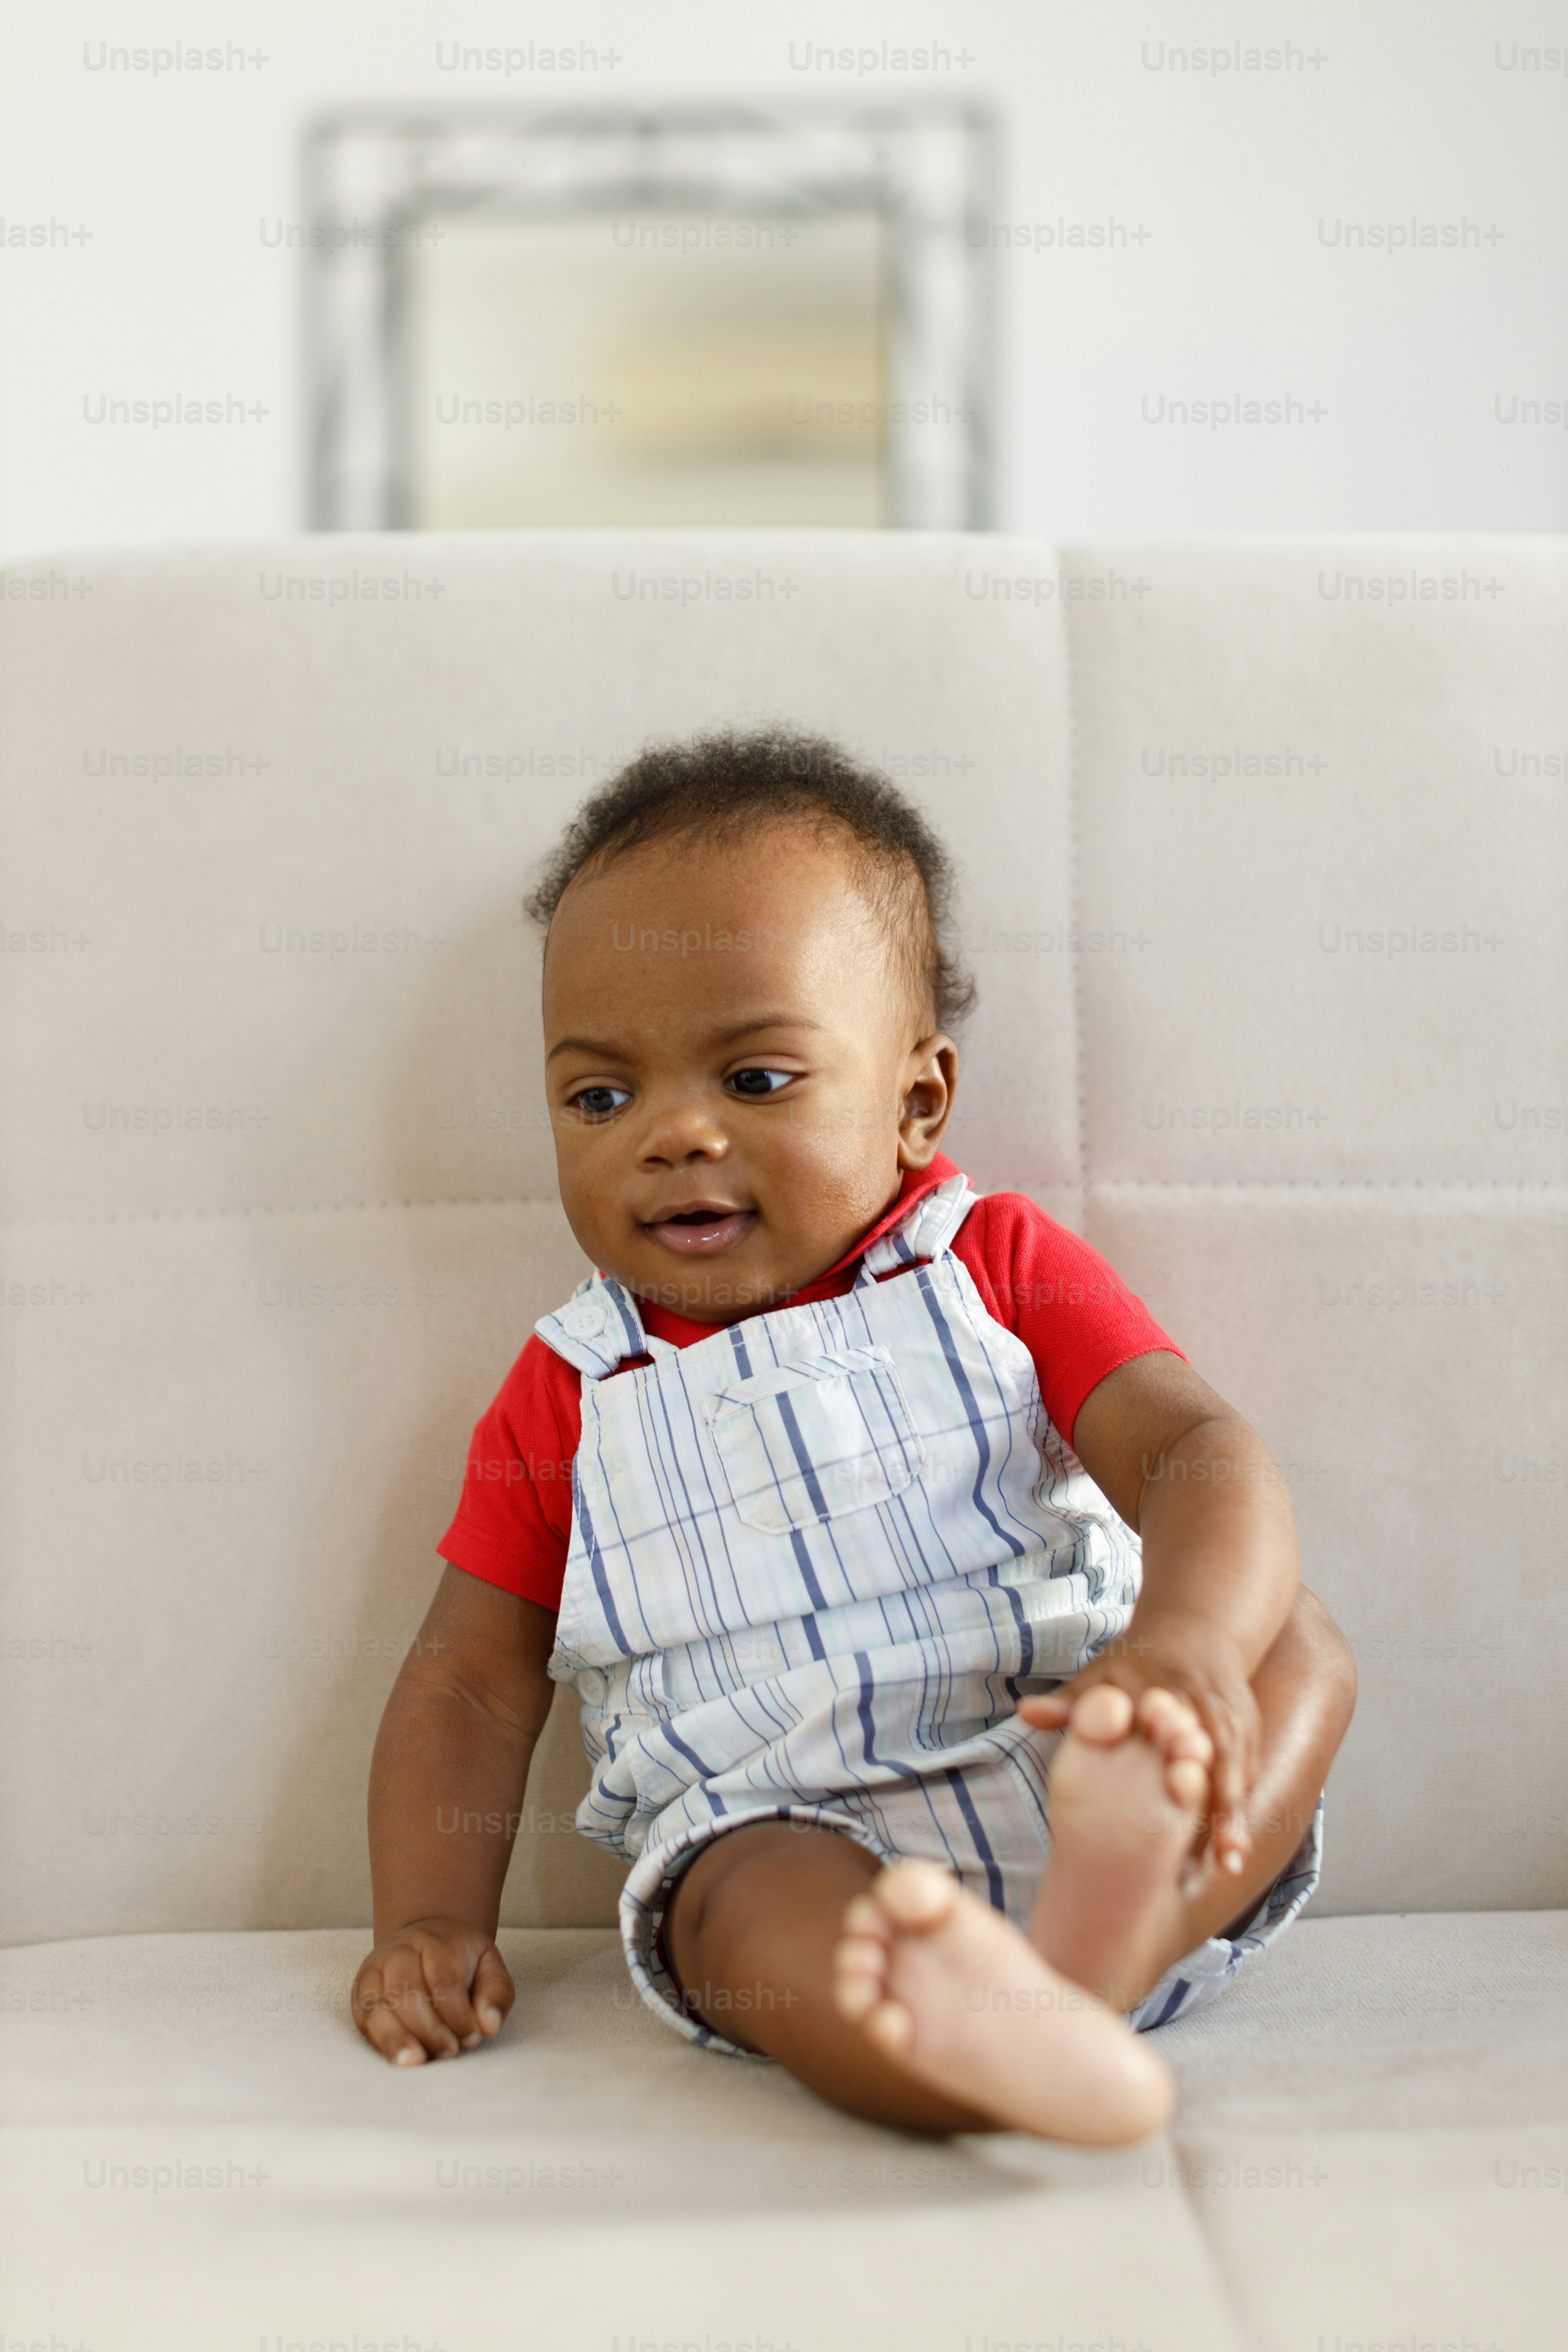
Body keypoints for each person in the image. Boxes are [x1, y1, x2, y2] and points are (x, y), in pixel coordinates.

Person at [352, 730, 1355, 2142]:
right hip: (784, 1822)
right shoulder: (567, 1385)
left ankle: (1092, 1956)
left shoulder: (996, 1262)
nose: (672, 1134)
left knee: (1297, 1641)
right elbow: (467, 1679)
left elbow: (1194, 1447)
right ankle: (976, 2051)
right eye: (599, 1096)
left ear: (917, 1100)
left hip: (1079, 1741)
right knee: (742, 1916)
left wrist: (1187, 1645)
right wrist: (430, 1920)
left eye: (755, 1080)